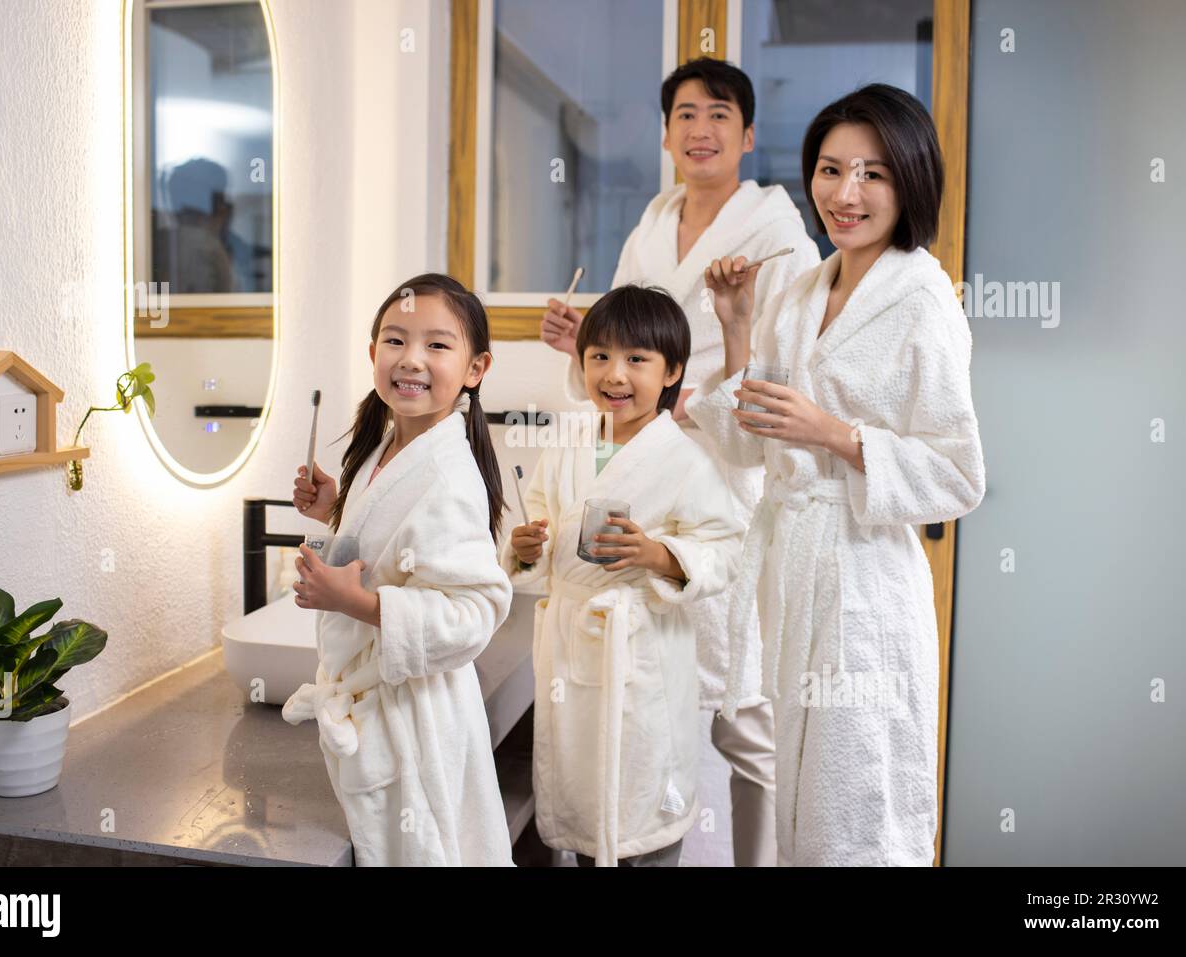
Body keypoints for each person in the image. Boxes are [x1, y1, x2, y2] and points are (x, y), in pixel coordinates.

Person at [690, 84, 986, 865]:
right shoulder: (801, 291)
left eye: (872, 174)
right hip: (796, 570)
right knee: (804, 798)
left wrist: (835, 433)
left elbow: (959, 476)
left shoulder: (925, 302)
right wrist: (736, 327)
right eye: (830, 169)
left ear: (909, 181)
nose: (845, 194)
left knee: (861, 803)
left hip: (865, 590)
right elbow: (752, 446)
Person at [540, 57, 819, 866]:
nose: (700, 130)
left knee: (741, 705)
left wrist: (709, 388)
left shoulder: (777, 236)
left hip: (721, 474)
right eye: (686, 115)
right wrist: (581, 342)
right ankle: (618, 836)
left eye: (719, 115)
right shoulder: (651, 224)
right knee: (645, 688)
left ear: (749, 135)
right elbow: (627, 349)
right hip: (643, 469)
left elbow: (786, 366)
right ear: (665, 134)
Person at [505, 284, 742, 866]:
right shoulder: (568, 443)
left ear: (672, 373)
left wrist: (660, 556)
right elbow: (538, 519)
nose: (615, 374)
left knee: (644, 800)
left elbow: (726, 546)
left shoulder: (687, 458)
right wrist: (526, 546)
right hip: (571, 647)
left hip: (641, 651)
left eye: (637, 359)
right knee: (584, 797)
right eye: (600, 357)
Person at [283, 273, 514, 866]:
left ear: (475, 367)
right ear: (372, 354)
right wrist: (336, 508)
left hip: (415, 718)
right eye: (395, 341)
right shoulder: (389, 445)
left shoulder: (449, 472)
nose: (412, 359)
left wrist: (354, 603)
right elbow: (394, 548)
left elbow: (475, 612)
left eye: (437, 345)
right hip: (382, 704)